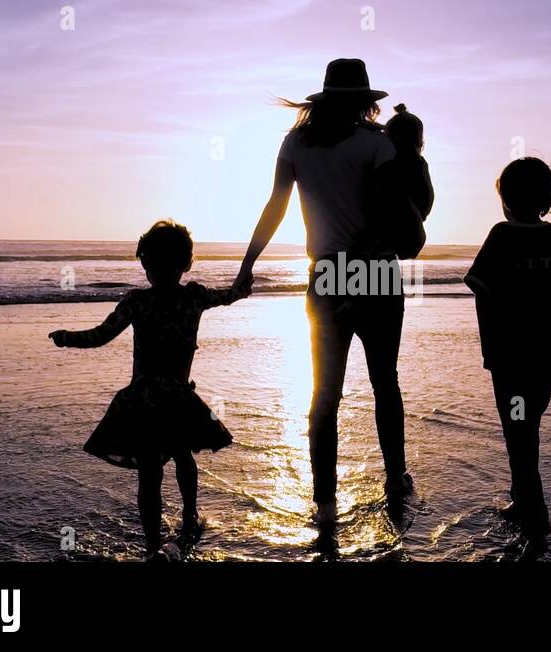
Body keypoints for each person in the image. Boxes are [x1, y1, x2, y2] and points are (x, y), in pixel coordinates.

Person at [233, 58, 414, 524]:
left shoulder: (296, 142)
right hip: (375, 274)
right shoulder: (377, 145)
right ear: (363, 104)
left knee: (324, 393)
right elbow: (390, 213)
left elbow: (275, 206)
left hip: (327, 275)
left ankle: (325, 502)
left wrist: (247, 265)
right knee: (384, 383)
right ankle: (396, 478)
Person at [49, 220, 245, 559]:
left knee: (150, 472)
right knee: (183, 455)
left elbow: (101, 335)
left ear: (145, 263)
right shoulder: (194, 296)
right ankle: (189, 517)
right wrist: (243, 287)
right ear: (186, 263)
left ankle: (153, 545)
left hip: (142, 401)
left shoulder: (136, 301)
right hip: (179, 398)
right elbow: (228, 296)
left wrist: (67, 338)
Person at [463, 157, 551, 537]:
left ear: (505, 199)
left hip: (509, 356)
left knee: (517, 429)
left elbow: (480, 290)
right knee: (527, 424)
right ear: (547, 199)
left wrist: (493, 337)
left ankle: (532, 510)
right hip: (548, 355)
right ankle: (525, 500)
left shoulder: (501, 236)